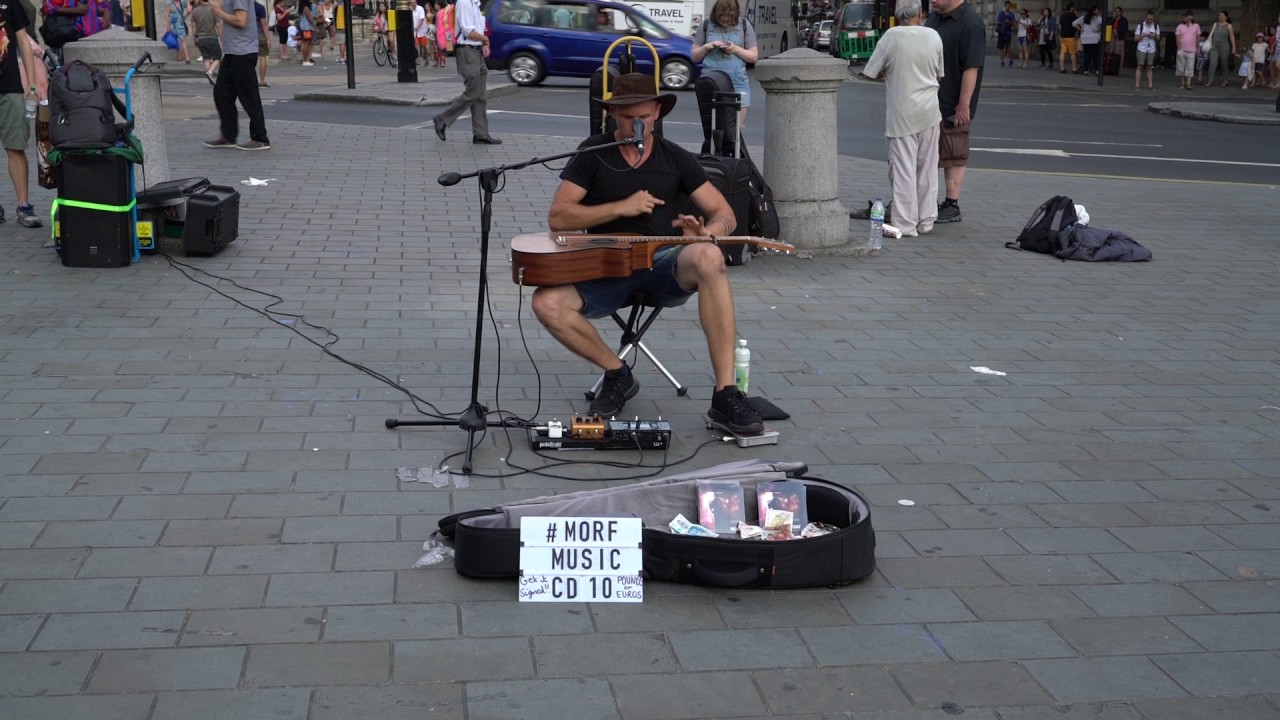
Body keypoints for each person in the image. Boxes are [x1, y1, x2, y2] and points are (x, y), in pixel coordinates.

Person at [533, 73, 763, 433]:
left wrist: (707, 233)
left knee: (709, 256)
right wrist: (619, 208)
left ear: (657, 112)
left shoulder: (675, 157)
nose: (636, 124)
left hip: (662, 264)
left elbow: (726, 216)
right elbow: (558, 218)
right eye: (627, 117)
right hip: (603, 267)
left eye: (644, 115)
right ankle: (617, 372)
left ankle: (725, 393)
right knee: (545, 303)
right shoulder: (593, 153)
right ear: (612, 114)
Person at [860, 0, 943, 237]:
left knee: (904, 169)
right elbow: (939, 73)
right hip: (929, 111)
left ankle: (906, 224)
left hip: (902, 114)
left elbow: (870, 72)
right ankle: (926, 220)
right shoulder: (933, 36)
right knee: (927, 169)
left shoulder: (891, 37)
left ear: (897, 14)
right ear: (919, 13)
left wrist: (889, 73)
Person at [924, 0, 984, 225]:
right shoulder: (934, 18)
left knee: (954, 153)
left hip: (953, 101)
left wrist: (963, 104)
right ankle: (921, 201)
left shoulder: (971, 23)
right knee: (928, 153)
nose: (933, 1)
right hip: (928, 99)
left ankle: (951, 204)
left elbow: (972, 67)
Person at [203, 0, 270, 150]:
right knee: (222, 93)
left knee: (249, 96)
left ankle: (260, 138)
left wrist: (219, 12)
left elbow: (241, 21)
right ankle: (228, 136)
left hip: (243, 52)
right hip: (232, 52)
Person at [430, 0, 499, 144]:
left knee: (480, 95)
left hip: (476, 51)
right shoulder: (464, 3)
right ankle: (442, 119)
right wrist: (485, 39)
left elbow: (478, 29)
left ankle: (481, 133)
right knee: (473, 92)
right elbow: (468, 31)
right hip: (467, 52)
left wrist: (485, 43)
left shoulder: (475, 4)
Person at [2, 1, 43, 228]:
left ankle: (24, 205)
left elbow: (23, 41)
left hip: (9, 86)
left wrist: (32, 82)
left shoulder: (10, 3)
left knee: (15, 146)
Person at [692, 0, 758, 129]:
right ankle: (714, 149)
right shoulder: (706, 25)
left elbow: (753, 57)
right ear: (716, 14)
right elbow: (694, 56)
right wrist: (707, 47)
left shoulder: (744, 25)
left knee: (735, 131)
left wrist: (735, 49)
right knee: (713, 128)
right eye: (722, 20)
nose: (725, 24)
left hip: (737, 81)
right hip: (711, 81)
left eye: (729, 21)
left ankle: (734, 148)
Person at [190, 0, 221, 84]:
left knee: (206, 57)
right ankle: (210, 72)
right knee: (217, 57)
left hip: (201, 38)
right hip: (212, 37)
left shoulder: (195, 11)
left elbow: (193, 27)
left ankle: (209, 74)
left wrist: (194, 39)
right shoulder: (213, 9)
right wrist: (222, 37)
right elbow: (218, 25)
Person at [1203, 11, 1236, 87]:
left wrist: (1234, 47)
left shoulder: (1229, 26)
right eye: (1219, 15)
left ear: (1226, 17)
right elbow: (1210, 34)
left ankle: (1225, 80)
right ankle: (1210, 80)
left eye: (1222, 15)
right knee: (1212, 63)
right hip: (1214, 46)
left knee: (1224, 63)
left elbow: (1232, 37)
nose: (1220, 17)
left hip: (1224, 46)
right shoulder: (1214, 24)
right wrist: (1206, 44)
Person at [1174, 12, 1200, 90]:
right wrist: (1179, 48)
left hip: (1192, 50)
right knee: (1181, 67)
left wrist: (1197, 48)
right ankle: (1182, 83)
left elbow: (1198, 37)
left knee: (1190, 67)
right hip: (1182, 49)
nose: (1184, 17)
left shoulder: (1196, 26)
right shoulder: (1180, 26)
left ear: (1191, 17)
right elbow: (1177, 37)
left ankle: (1188, 83)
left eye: (1186, 16)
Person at [1073, 5, 1101, 75]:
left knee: (1087, 54)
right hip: (1094, 38)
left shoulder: (1084, 17)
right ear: (1094, 11)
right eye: (1097, 10)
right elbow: (1104, 25)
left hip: (1085, 38)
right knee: (1095, 55)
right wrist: (1098, 30)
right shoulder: (1098, 18)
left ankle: (1086, 70)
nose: (1098, 11)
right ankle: (1097, 70)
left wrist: (1081, 29)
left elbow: (1073, 23)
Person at [1133, 11, 1157, 90]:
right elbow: (1135, 39)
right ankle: (1137, 84)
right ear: (1145, 18)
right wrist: (1142, 36)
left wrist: (1153, 36)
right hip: (1141, 48)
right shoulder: (1140, 26)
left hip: (1151, 48)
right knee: (1140, 66)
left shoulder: (1156, 26)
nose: (1149, 20)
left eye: (1151, 19)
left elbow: (1159, 37)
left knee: (1149, 67)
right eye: (1148, 19)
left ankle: (1150, 84)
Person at [1057, 2, 1078, 73]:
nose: (1075, 8)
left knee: (1062, 52)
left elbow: (1060, 26)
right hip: (1071, 36)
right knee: (1073, 53)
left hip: (1063, 36)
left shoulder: (1062, 15)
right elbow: (1077, 23)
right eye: (1074, 7)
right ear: (1072, 7)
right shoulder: (1074, 15)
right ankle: (1074, 68)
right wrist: (1076, 14)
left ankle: (1062, 68)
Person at [1108, 7, 1128, 73]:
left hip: (1119, 37)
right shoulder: (1113, 19)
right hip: (1112, 36)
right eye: (1116, 11)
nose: (1117, 12)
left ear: (1121, 12)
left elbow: (1125, 29)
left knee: (1118, 52)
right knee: (1110, 51)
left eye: (1118, 11)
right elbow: (1108, 25)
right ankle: (1110, 65)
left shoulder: (1124, 20)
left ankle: (1117, 67)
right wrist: (1113, 18)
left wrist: (1118, 32)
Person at [994, 1, 1014, 67]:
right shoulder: (1001, 14)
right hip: (1001, 33)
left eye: (1009, 6)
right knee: (1001, 48)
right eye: (1006, 5)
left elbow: (1013, 23)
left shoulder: (1011, 14)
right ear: (1004, 6)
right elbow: (997, 21)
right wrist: (1000, 22)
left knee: (1008, 47)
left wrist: (1009, 22)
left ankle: (1011, 59)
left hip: (1008, 33)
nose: (1007, 7)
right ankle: (1002, 61)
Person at [297, 0, 317, 65]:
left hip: (304, 27)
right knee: (307, 44)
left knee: (306, 43)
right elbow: (309, 18)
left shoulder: (301, 7)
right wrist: (315, 27)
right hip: (307, 28)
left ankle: (305, 60)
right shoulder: (306, 7)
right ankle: (305, 60)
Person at [254, 0, 269, 84]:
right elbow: (264, 24)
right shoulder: (260, 7)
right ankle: (262, 80)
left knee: (250, 59)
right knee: (262, 58)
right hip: (260, 36)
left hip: (249, 38)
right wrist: (268, 38)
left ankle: (251, 80)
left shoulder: (244, 8)